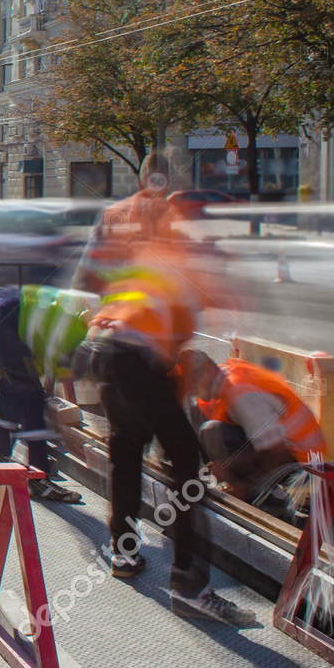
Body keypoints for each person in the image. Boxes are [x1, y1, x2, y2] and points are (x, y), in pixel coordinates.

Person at [76, 245, 257, 625]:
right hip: (132, 362)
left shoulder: (140, 282)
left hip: (98, 354)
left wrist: (155, 422)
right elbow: (169, 368)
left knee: (126, 455)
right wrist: (179, 439)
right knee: (188, 473)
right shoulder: (182, 291)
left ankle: (124, 553)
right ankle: (191, 589)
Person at [0, 285, 86, 503]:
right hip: (5, 323)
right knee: (29, 399)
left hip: (2, 317)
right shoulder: (71, 331)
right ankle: (34, 476)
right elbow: (54, 364)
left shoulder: (67, 322)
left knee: (21, 395)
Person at [179, 350, 325, 504]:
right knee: (209, 429)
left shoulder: (242, 395)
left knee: (212, 432)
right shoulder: (225, 377)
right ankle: (249, 488)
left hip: (302, 466)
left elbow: (277, 452)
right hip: (289, 451)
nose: (193, 392)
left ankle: (267, 498)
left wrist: (233, 474)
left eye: (193, 384)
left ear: (207, 371)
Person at [74, 152, 188, 293]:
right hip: (142, 301)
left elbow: (86, 273)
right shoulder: (178, 220)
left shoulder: (113, 214)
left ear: (139, 183)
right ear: (170, 185)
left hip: (118, 300)